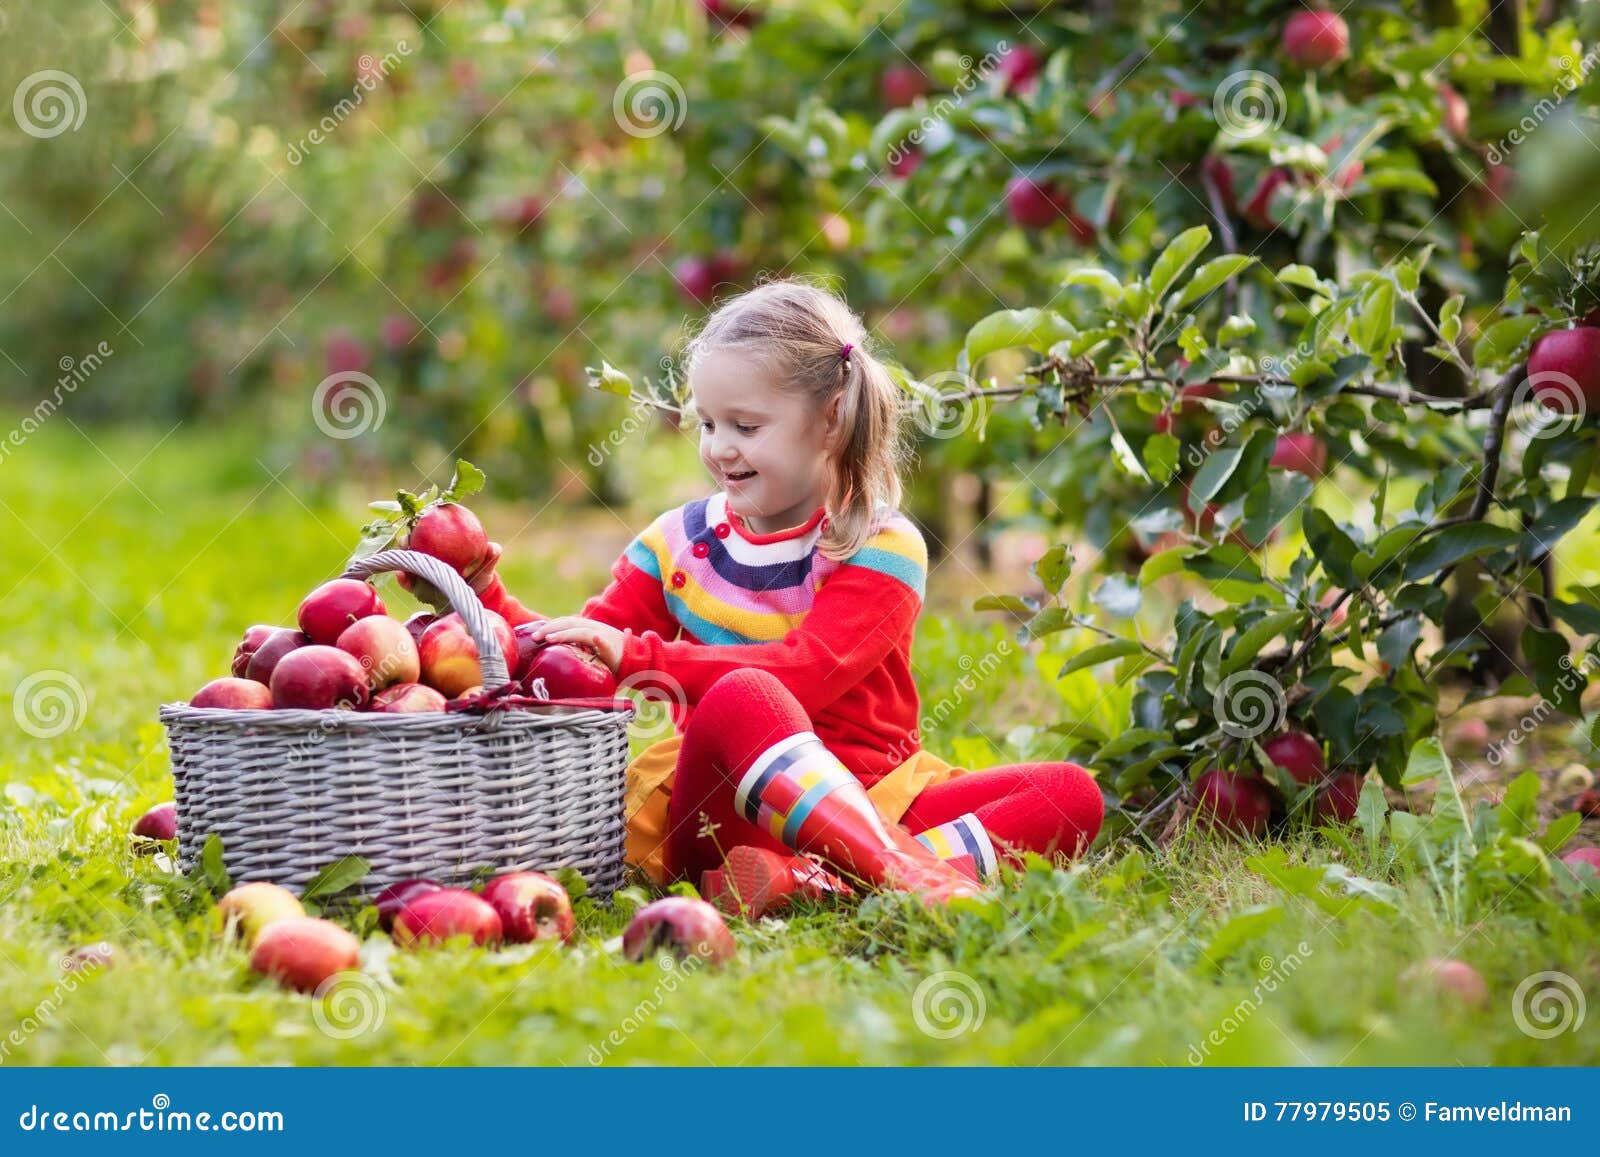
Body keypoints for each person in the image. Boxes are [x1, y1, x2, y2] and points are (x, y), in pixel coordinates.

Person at [477, 278, 1103, 910]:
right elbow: (577, 662)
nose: (720, 448)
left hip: (872, 795)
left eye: (746, 426)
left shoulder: (879, 544)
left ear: (831, 419)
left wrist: (644, 658)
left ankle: (818, 881)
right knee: (743, 698)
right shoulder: (678, 544)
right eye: (708, 423)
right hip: (725, 818)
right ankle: (905, 875)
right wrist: (484, 591)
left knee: (1069, 794)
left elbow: (810, 670)